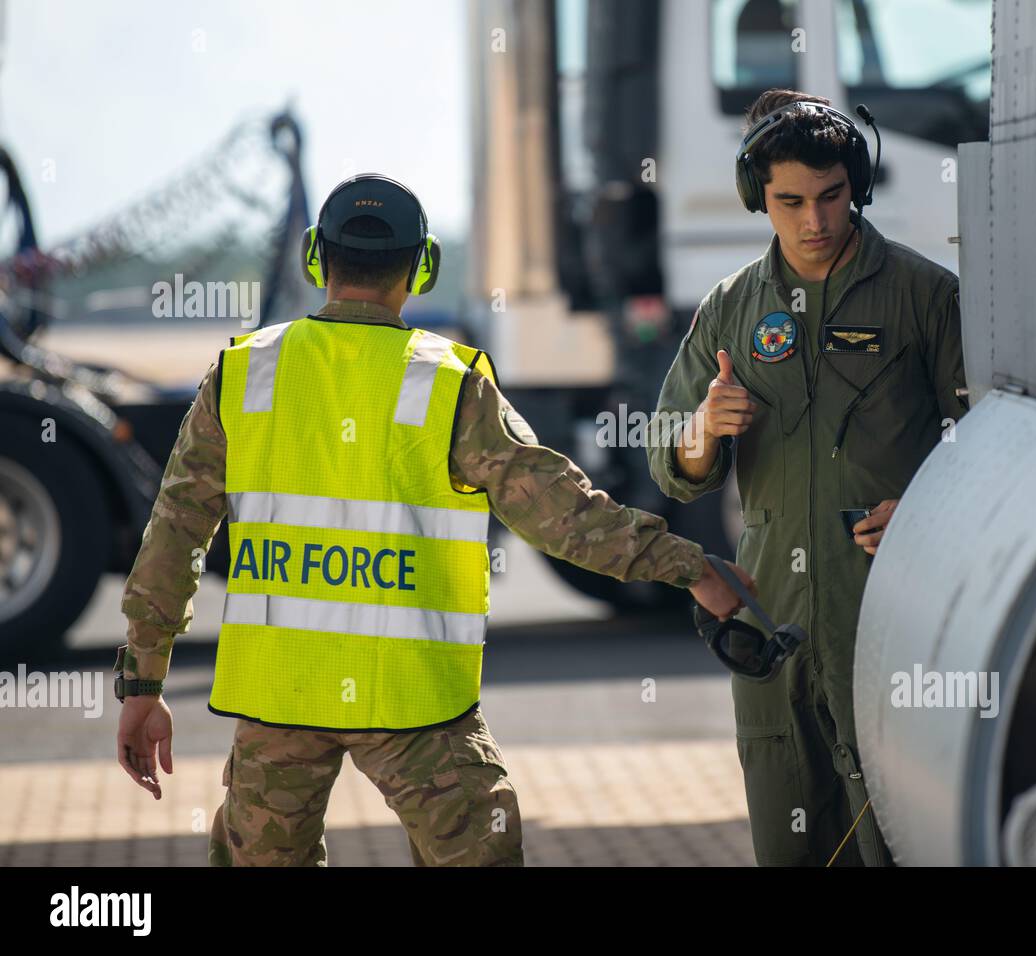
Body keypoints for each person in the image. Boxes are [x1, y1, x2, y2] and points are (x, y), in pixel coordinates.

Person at [114, 173, 752, 867]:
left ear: (312, 258)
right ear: (424, 267)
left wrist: (145, 684)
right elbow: (565, 516)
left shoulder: (244, 374)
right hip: (413, 703)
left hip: (280, 699)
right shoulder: (450, 384)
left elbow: (174, 535)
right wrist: (692, 569)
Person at [648, 90, 969, 866]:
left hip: (891, 611)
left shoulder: (927, 296)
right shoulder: (729, 309)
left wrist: (926, 509)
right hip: (775, 628)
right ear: (758, 197)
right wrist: (704, 431)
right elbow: (671, 465)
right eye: (789, 201)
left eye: (830, 197)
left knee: (903, 844)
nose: (814, 221)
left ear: (856, 184)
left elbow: (986, 441)